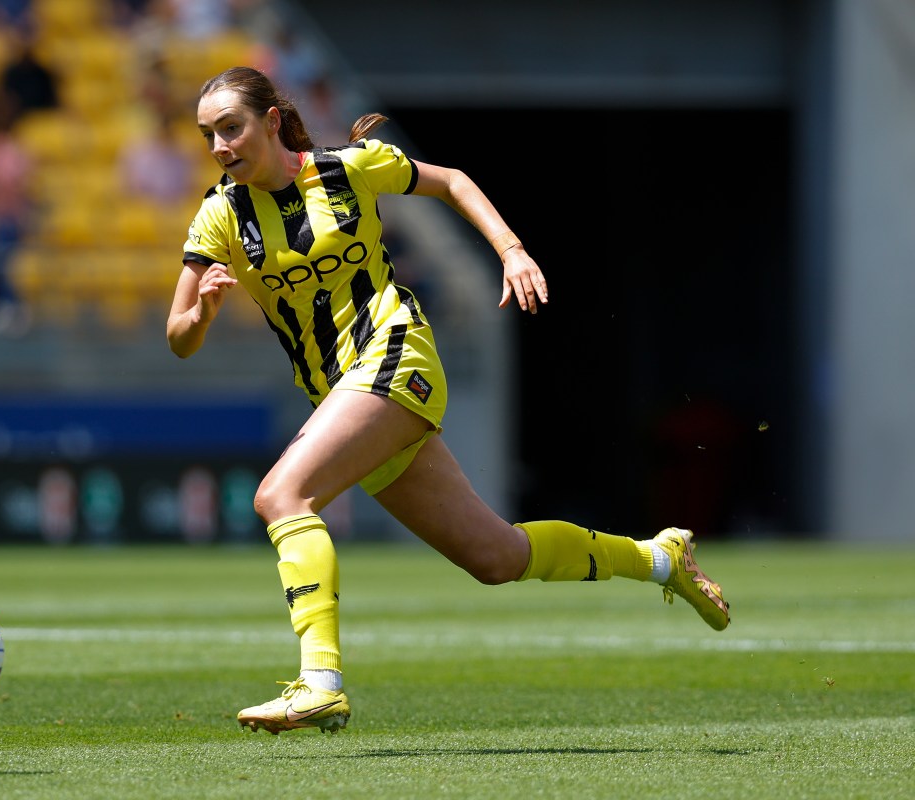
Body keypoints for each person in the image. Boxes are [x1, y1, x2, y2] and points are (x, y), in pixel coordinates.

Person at [168, 67, 731, 735]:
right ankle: (659, 558)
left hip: (395, 351)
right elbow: (178, 339)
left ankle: (319, 682)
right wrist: (202, 312)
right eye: (208, 135)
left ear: (269, 120)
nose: (219, 146)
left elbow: (452, 180)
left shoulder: (348, 170)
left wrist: (512, 250)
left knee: (280, 496)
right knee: (495, 558)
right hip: (342, 392)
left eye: (230, 128)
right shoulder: (221, 212)